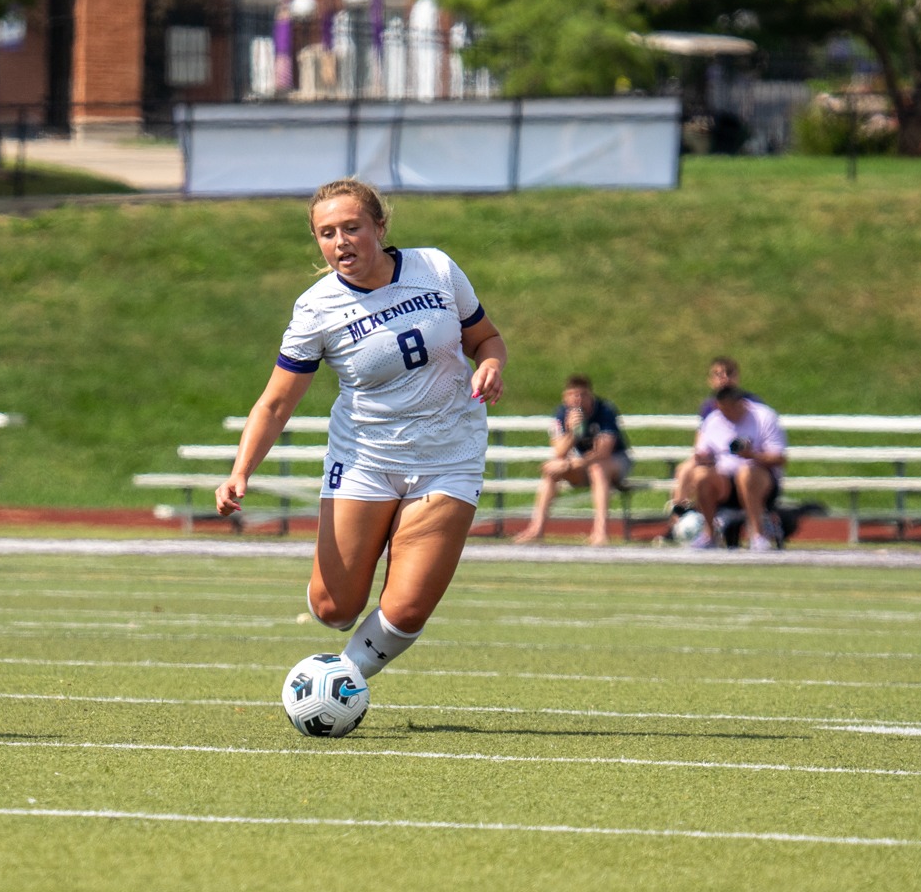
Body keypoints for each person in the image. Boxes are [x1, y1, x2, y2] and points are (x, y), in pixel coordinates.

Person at [216, 177, 505, 682]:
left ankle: (340, 683)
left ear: (380, 226)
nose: (340, 242)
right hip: (366, 460)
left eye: (352, 228)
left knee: (407, 610)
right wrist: (240, 471)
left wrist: (491, 365)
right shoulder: (316, 308)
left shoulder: (435, 268)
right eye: (327, 234)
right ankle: (346, 594)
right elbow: (276, 402)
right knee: (333, 609)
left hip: (449, 456)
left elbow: (487, 338)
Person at [513, 374, 631, 546]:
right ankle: (536, 529)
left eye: (583, 395)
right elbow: (559, 451)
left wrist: (576, 462)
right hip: (581, 464)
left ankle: (601, 532)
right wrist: (572, 432)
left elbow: (604, 450)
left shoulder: (604, 410)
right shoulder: (561, 414)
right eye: (573, 395)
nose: (578, 399)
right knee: (551, 472)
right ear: (565, 397)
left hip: (614, 462)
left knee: (598, 469)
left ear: (590, 395)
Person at [674, 385, 788, 550]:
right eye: (722, 409)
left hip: (760, 480)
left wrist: (752, 455)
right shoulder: (714, 420)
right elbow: (703, 452)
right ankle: (709, 535)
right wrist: (704, 458)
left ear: (741, 404)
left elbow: (779, 458)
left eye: (730, 409)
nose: (726, 414)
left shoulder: (763, 417)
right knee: (701, 476)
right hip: (725, 481)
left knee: (746, 473)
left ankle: (757, 535)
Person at [671, 355, 762, 510]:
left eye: (729, 373)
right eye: (718, 374)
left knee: (701, 474)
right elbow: (701, 439)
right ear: (710, 379)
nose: (724, 378)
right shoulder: (708, 407)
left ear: (737, 377)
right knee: (685, 470)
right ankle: (678, 517)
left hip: (740, 458)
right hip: (714, 456)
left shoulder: (751, 404)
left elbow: (755, 436)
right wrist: (701, 454)